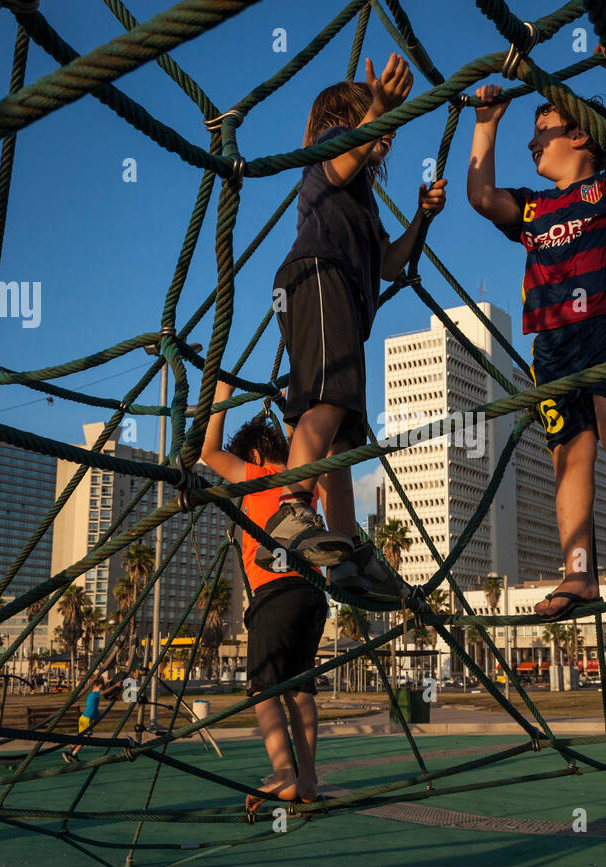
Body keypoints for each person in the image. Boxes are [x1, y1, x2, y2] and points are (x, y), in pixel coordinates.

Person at [465, 63, 606, 620]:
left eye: (541, 128)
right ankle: (579, 572)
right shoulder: (531, 207)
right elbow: (479, 196)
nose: (532, 141)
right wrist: (486, 123)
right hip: (553, 343)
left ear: (581, 136)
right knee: (570, 454)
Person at [255, 53, 447, 599]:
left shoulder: (362, 200)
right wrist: (379, 108)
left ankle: (342, 557)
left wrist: (421, 219)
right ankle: (293, 510)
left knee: (341, 434)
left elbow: (389, 263)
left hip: (338, 293)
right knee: (325, 401)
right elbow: (344, 159)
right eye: (376, 120)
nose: (386, 134)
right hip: (318, 277)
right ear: (347, 117)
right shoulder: (334, 147)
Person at [202, 379, 331, 811]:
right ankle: (308, 777)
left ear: (254, 455)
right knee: (300, 687)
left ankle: (283, 777)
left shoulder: (256, 476)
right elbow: (311, 445)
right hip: (313, 592)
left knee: (264, 690)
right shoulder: (304, 482)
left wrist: (221, 392)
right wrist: (288, 409)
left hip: (273, 593)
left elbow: (209, 452)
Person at [64, 677, 102, 763]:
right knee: (84, 739)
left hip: (84, 718)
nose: (100, 690)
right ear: (94, 687)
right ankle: (73, 754)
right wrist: (115, 685)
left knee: (80, 737)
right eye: (100, 688)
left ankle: (69, 752)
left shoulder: (92, 695)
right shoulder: (95, 694)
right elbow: (105, 692)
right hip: (86, 719)